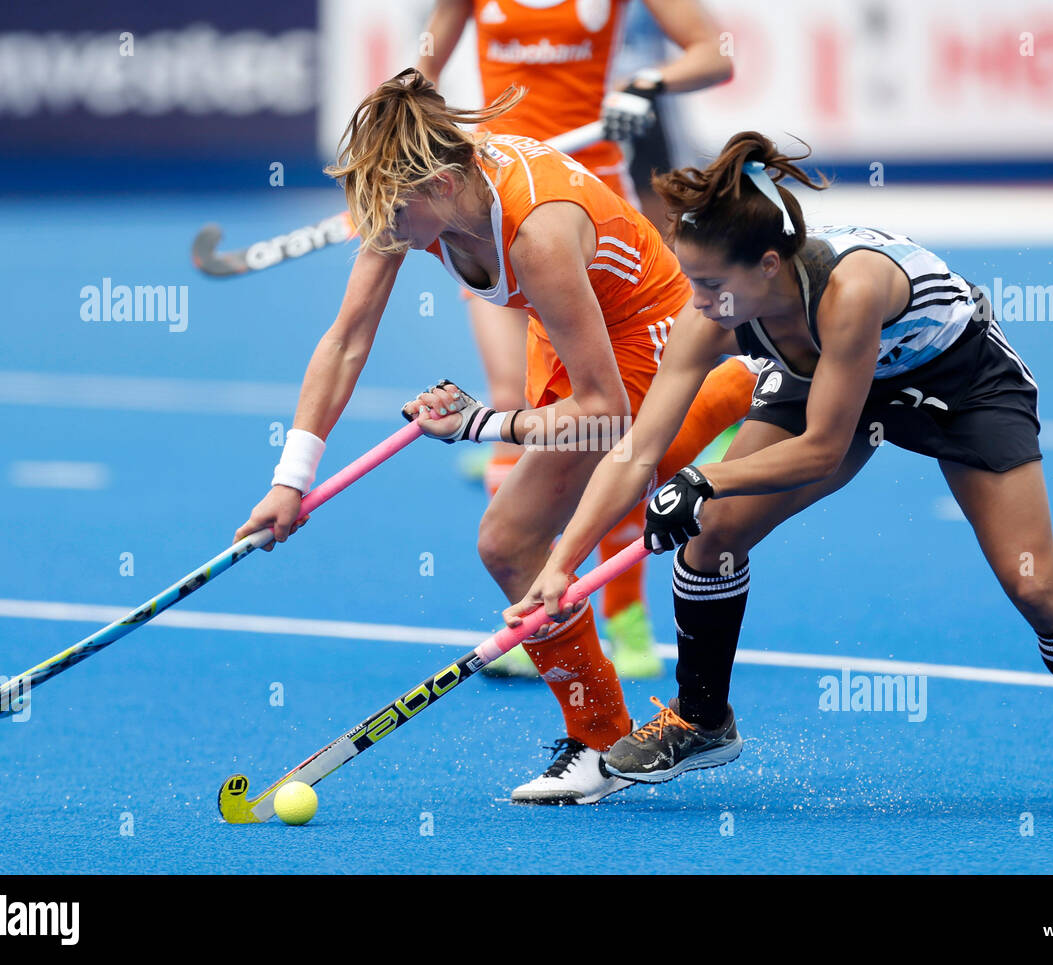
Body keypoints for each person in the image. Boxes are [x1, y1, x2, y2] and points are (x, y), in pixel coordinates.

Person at [505, 131, 1053, 815]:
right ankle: (701, 719)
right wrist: (562, 563)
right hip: (817, 370)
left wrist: (705, 481)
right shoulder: (716, 310)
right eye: (690, 280)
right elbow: (638, 450)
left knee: (1034, 584)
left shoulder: (849, 291)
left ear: (768, 265)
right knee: (713, 538)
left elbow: (825, 449)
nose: (695, 300)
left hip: (955, 382)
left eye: (708, 284)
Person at [234, 70, 755, 805]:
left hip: (649, 332)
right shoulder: (415, 197)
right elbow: (347, 339)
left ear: (444, 185)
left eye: (393, 210)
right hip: (571, 327)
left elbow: (602, 409)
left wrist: (479, 423)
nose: (379, 227)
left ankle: (736, 382)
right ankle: (606, 736)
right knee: (517, 538)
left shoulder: (537, 231)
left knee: (519, 531)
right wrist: (293, 477)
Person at [414, 0, 745, 680]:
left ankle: (624, 615)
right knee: (524, 404)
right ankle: (548, 612)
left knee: (598, 431)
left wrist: (648, 83)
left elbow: (715, 51)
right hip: (481, 208)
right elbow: (418, 78)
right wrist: (392, 168)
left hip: (574, 207)